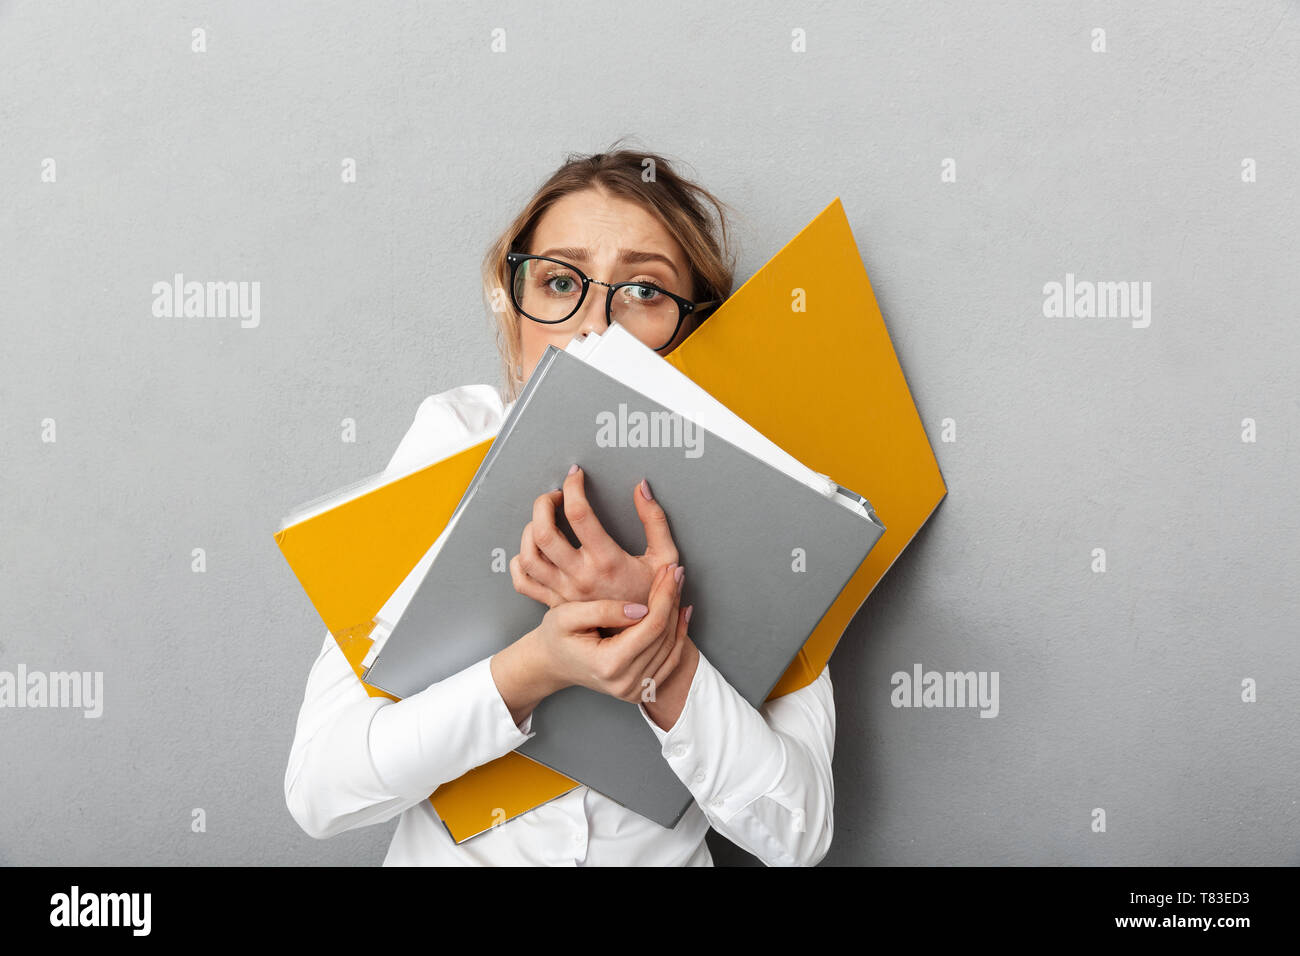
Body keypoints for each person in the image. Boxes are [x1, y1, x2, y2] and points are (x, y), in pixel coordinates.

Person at [284, 142, 836, 866]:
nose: (594, 325)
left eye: (643, 291)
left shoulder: (772, 505)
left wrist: (662, 661)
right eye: (557, 281)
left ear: (697, 334)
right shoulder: (443, 453)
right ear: (514, 316)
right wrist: (533, 669)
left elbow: (798, 834)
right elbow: (321, 791)